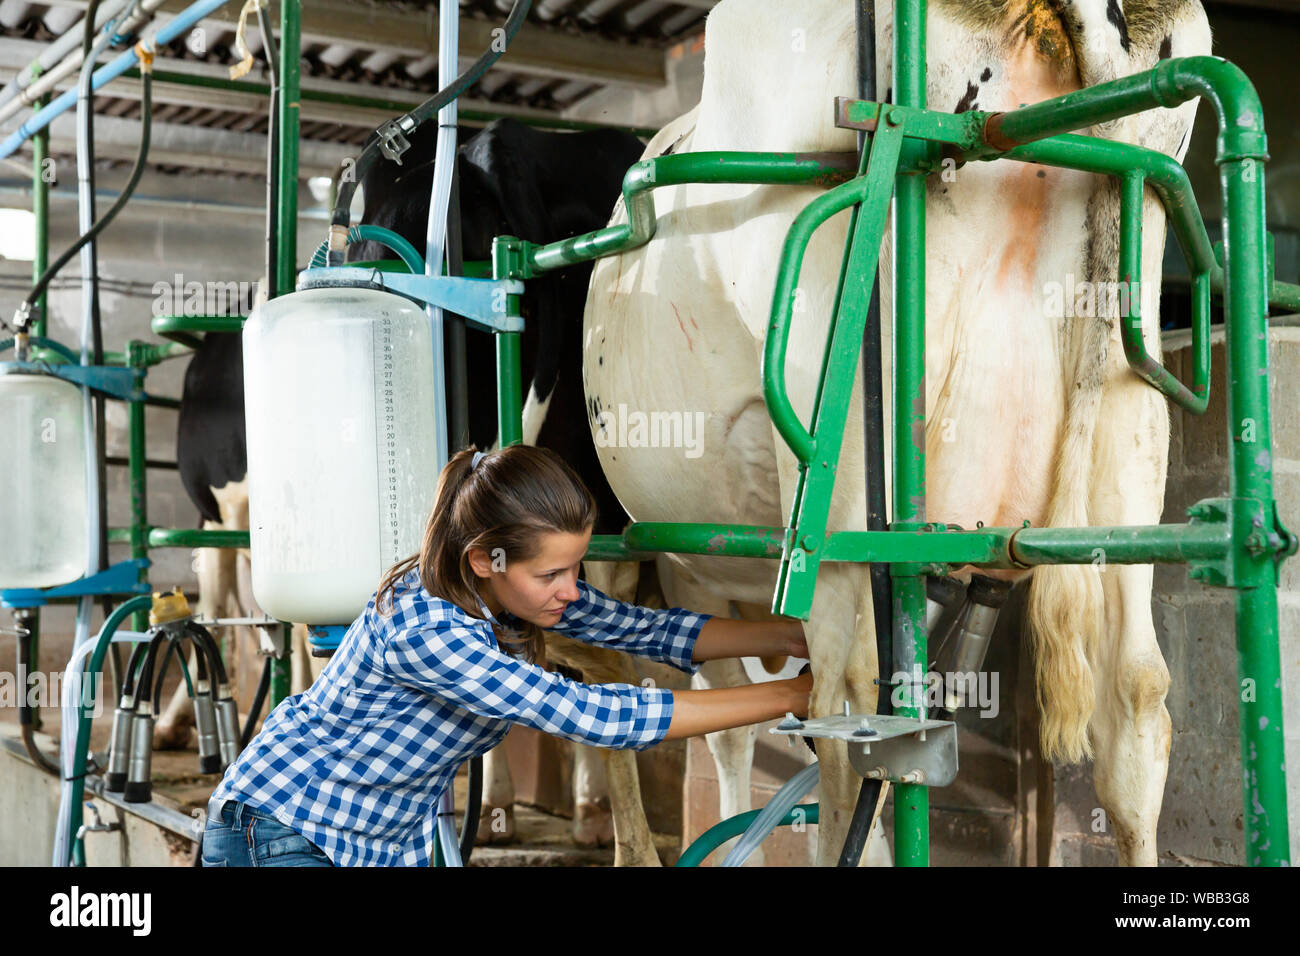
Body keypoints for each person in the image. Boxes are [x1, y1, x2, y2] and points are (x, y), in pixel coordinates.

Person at [201, 443, 812, 867]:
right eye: (553, 573)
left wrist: (790, 638)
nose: (571, 589)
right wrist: (792, 696)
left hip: (368, 838)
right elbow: (596, 716)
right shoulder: (428, 627)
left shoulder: (516, 596)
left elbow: (651, 631)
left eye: (575, 567)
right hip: (280, 830)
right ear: (483, 559)